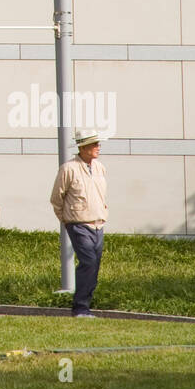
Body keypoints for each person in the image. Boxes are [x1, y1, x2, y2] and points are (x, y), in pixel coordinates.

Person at [50, 130, 110, 319]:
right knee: (88, 262)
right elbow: (56, 198)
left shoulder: (100, 167)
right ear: (83, 148)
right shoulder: (68, 168)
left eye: (98, 144)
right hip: (78, 224)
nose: (98, 147)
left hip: (98, 223)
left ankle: (86, 304)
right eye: (94, 144)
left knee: (94, 264)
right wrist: (67, 219)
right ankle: (80, 307)